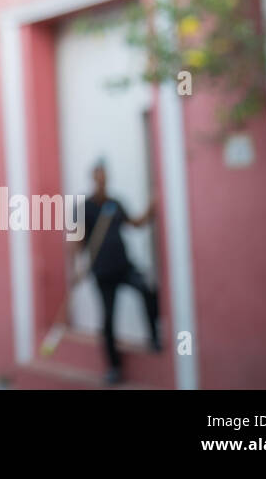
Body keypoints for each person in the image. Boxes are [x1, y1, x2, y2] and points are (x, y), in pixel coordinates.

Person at [80, 160, 161, 384]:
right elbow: (76, 240)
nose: (102, 180)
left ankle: (155, 337)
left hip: (123, 266)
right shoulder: (85, 208)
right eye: (98, 176)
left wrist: (151, 208)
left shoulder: (115, 204)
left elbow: (135, 223)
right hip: (102, 272)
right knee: (108, 319)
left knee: (147, 288)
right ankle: (114, 367)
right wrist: (77, 267)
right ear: (93, 178)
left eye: (105, 176)